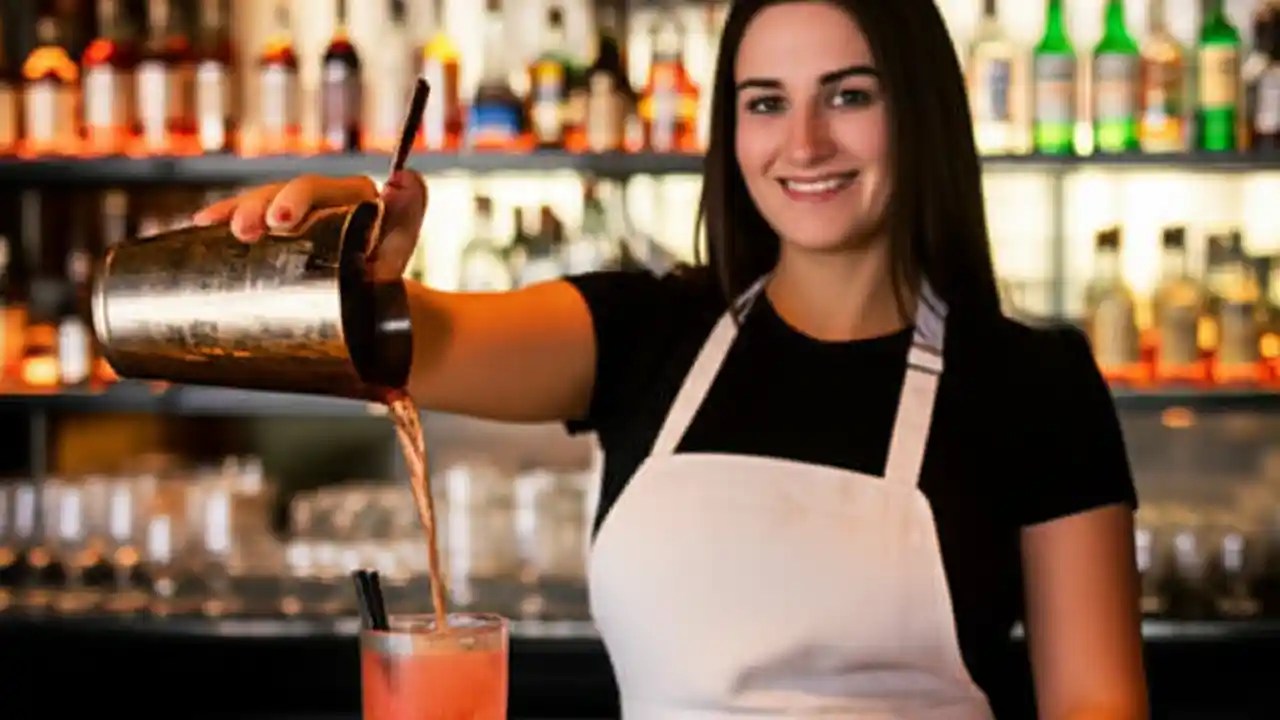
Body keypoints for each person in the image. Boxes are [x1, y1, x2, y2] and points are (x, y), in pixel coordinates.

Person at [194, 1, 1148, 717]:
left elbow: (1097, 707)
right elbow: (405, 343)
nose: (804, 142)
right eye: (765, 102)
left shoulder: (1035, 386)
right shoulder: (646, 331)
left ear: (925, 113)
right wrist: (338, 262)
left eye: (849, 96)